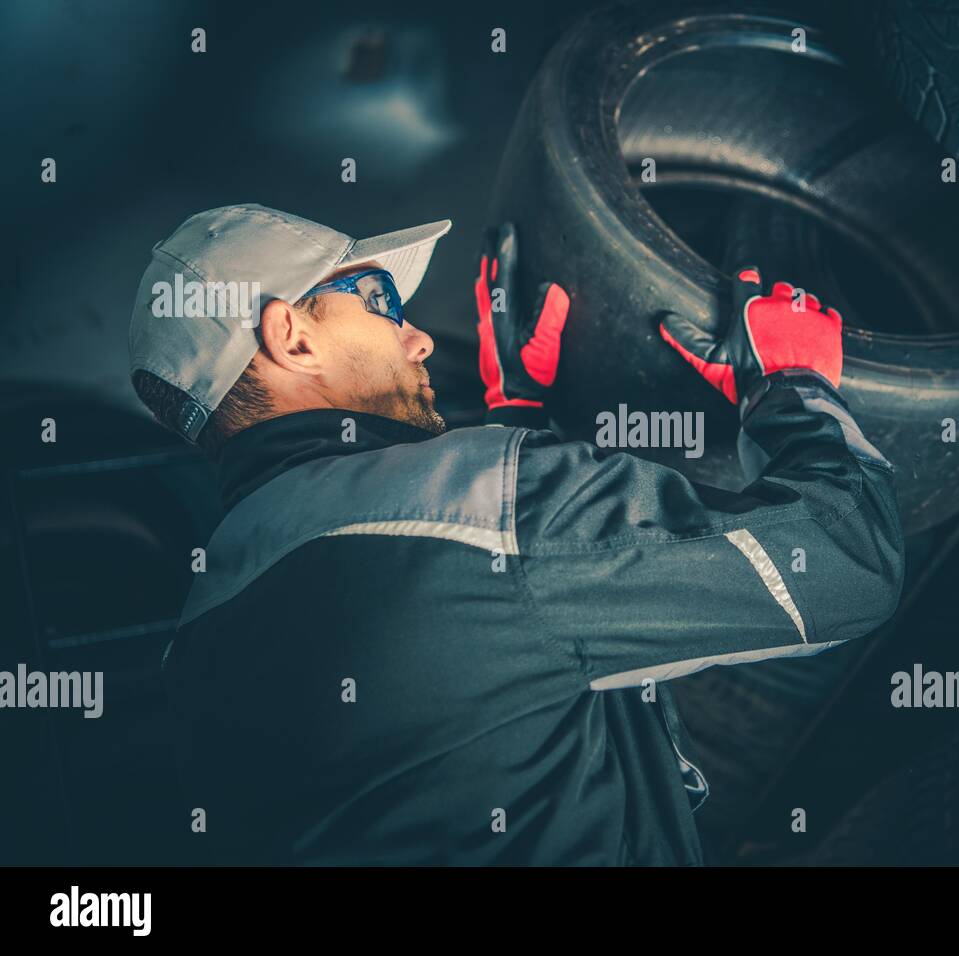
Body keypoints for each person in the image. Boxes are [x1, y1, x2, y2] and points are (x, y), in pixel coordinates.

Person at [128, 203, 905, 864]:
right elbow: (847, 562)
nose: (419, 339)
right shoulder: (476, 508)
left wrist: (524, 427)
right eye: (379, 304)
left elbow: (485, 679)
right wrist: (792, 384)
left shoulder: (193, 648)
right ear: (291, 336)